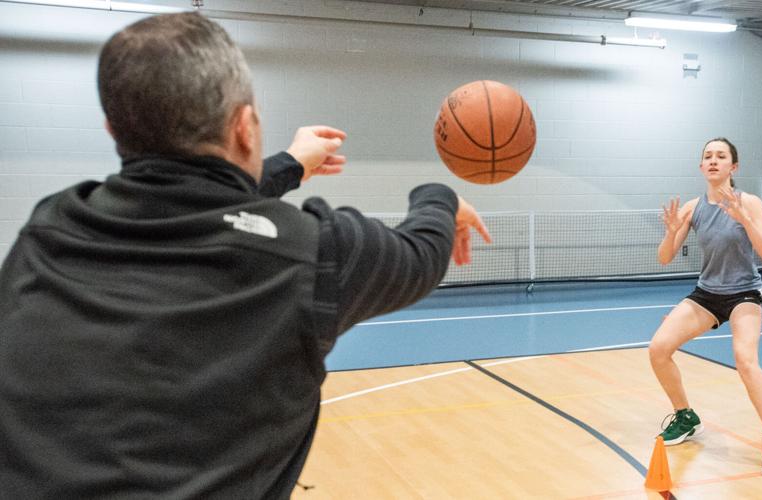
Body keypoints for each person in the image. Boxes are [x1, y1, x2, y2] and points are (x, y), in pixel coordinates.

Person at [0, 13, 490, 498]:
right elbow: (420, 253)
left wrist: (289, 166)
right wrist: (440, 198)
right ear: (244, 126)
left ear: (113, 128)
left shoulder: (49, 227)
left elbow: (182, 192)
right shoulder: (310, 253)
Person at [649, 138, 762, 478]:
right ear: (702, 167)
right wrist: (671, 234)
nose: (713, 161)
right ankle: (685, 416)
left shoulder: (750, 202)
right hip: (708, 293)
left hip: (744, 292)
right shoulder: (692, 207)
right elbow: (665, 257)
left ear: (734, 167)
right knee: (658, 349)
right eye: (708, 156)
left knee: (745, 360)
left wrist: (745, 218)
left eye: (721, 156)